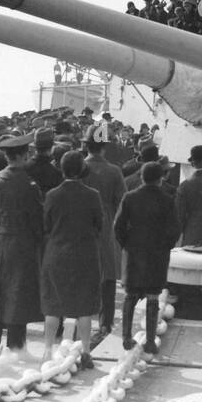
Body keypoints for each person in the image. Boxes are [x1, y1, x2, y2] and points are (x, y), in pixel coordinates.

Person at [0, 132, 44, 353]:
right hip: (23, 244)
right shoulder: (29, 185)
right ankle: (16, 349)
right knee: (19, 297)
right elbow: (38, 221)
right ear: (24, 154)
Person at [41, 151, 102, 369]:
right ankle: (85, 352)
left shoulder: (51, 195)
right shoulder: (93, 195)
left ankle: (48, 351)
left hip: (56, 253)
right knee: (84, 307)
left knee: (53, 306)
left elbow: (46, 226)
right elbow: (99, 225)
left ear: (62, 168)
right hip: (85, 253)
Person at [114, 161, 181, 354]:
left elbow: (118, 226)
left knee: (130, 296)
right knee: (153, 297)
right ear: (161, 179)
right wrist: (165, 246)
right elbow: (175, 229)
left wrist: (127, 244)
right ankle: (150, 340)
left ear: (142, 177)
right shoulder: (167, 200)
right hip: (157, 256)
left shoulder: (130, 197)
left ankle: (126, 337)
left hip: (134, 254)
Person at [82, 133, 126, 336]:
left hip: (80, 226)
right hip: (106, 225)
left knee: (80, 273)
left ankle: (75, 322)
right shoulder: (113, 171)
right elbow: (122, 203)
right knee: (107, 277)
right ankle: (105, 323)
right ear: (103, 147)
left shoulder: (79, 167)